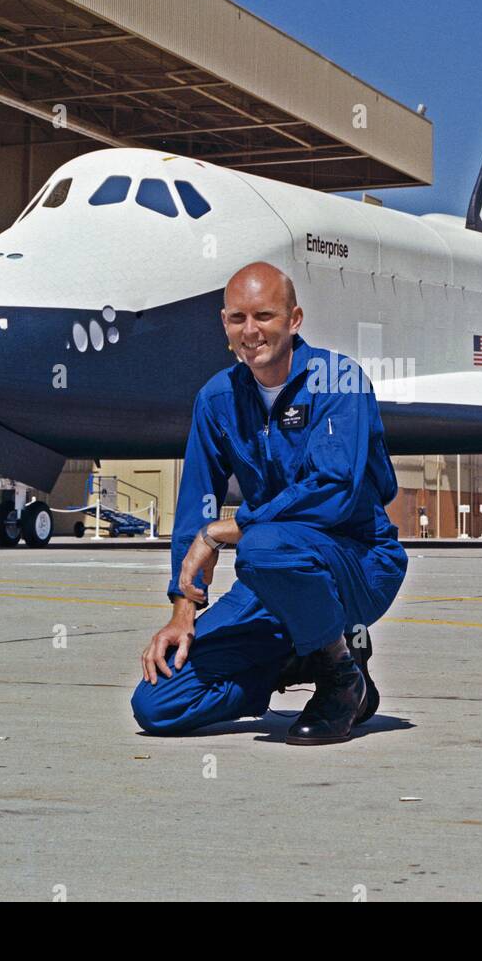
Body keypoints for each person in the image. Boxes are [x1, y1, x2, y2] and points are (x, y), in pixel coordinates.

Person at [132, 262, 407, 745]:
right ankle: (310, 652)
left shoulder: (339, 379)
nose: (251, 331)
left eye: (265, 315)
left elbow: (335, 491)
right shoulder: (216, 399)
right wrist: (182, 609)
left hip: (358, 562)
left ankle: (341, 680)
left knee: (263, 546)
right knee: (158, 703)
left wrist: (227, 530)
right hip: (272, 574)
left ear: (294, 319)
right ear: (224, 324)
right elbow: (197, 504)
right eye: (238, 318)